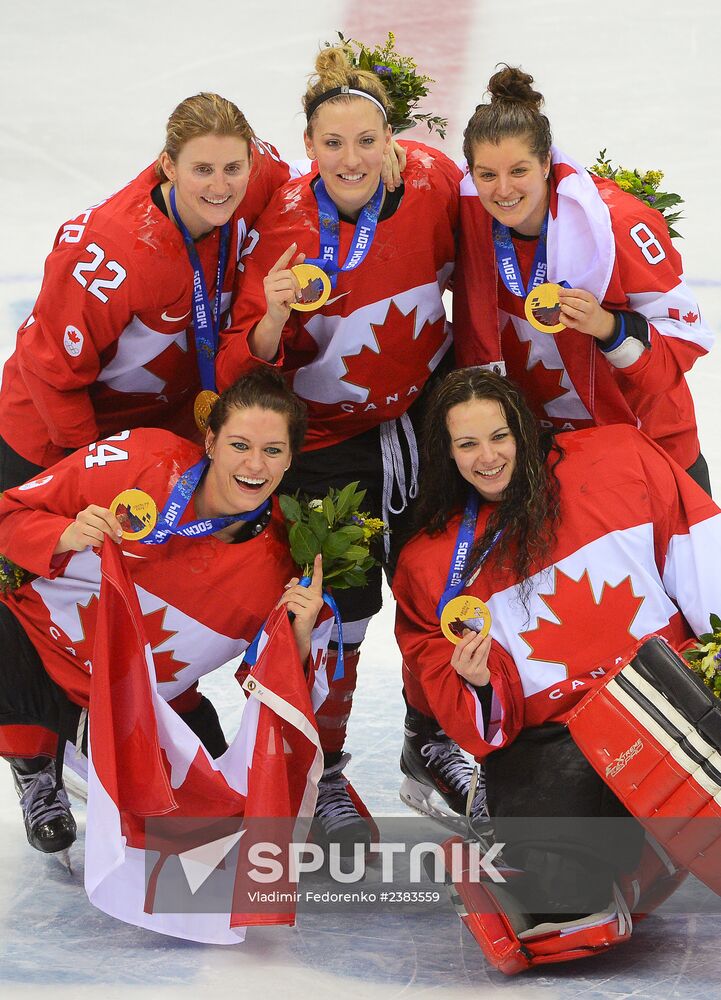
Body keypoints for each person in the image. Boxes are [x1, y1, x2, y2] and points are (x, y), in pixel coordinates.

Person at [216, 45, 473, 842]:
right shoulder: (283, 226)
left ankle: (428, 740)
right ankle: (325, 773)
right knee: (343, 611)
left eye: (367, 141)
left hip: (422, 423)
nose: (352, 159)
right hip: (328, 445)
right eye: (333, 144)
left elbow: (490, 253)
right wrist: (271, 313)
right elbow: (238, 366)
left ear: (392, 139)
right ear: (309, 148)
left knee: (444, 585)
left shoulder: (430, 180)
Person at [392, 367, 721, 967]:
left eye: (499, 436)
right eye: (467, 445)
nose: (488, 458)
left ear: (524, 427)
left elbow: (700, 557)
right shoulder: (429, 565)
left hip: (666, 706)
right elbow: (481, 726)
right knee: (559, 903)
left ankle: (653, 845)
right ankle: (638, 859)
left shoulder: (617, 458)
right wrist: (477, 685)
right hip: (557, 744)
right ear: (446, 454)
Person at [0, 368, 328, 856]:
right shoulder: (138, 460)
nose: (254, 464)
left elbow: (267, 688)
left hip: (141, 708)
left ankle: (87, 749)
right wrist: (62, 535)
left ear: (290, 458)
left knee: (215, 838)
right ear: (211, 440)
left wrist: (299, 637)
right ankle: (32, 761)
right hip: (36, 654)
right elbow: (8, 515)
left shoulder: (285, 558)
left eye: (273, 450)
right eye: (240, 445)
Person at [0, 92, 290, 491]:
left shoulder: (260, 176)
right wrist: (94, 473)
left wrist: (391, 160)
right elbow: (51, 375)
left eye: (232, 168)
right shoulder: (109, 254)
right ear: (168, 165)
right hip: (54, 444)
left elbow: (321, 181)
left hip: (162, 435)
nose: (221, 186)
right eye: (202, 169)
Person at [453, 66, 714, 492]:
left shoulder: (618, 224)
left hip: (651, 453)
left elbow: (682, 347)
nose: (502, 190)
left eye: (518, 171)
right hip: (543, 457)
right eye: (486, 175)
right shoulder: (463, 215)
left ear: (545, 163)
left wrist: (609, 328)